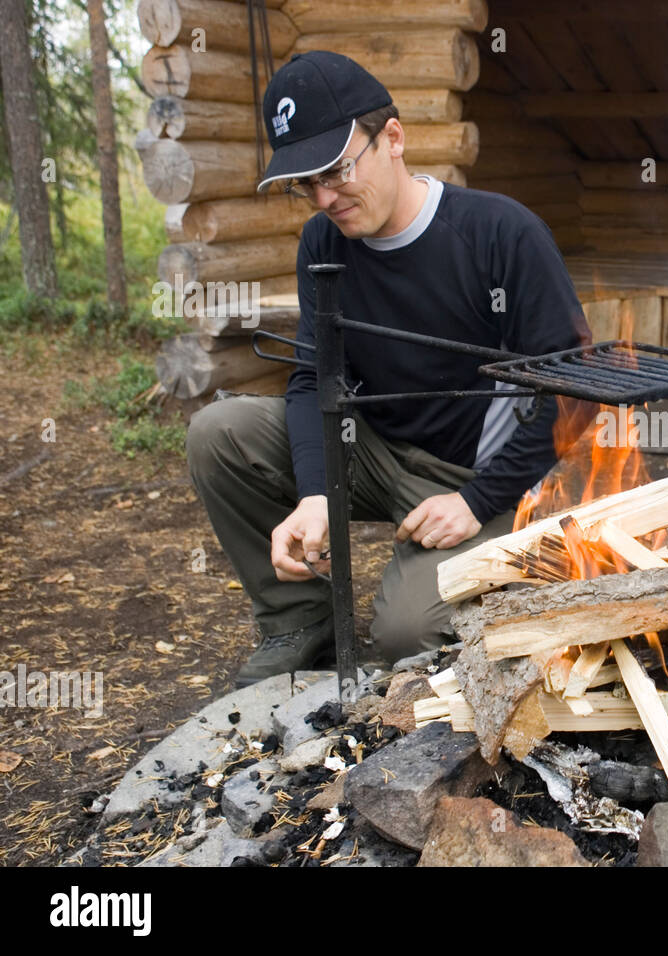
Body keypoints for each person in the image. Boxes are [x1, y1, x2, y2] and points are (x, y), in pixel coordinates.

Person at [185, 51, 590, 687]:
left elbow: (576, 394)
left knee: (407, 635)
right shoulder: (324, 241)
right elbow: (313, 377)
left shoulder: (499, 233)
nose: (325, 198)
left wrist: (477, 498)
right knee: (220, 433)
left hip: (470, 474)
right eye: (305, 183)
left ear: (393, 138)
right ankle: (299, 621)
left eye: (337, 170)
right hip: (368, 445)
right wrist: (317, 492)